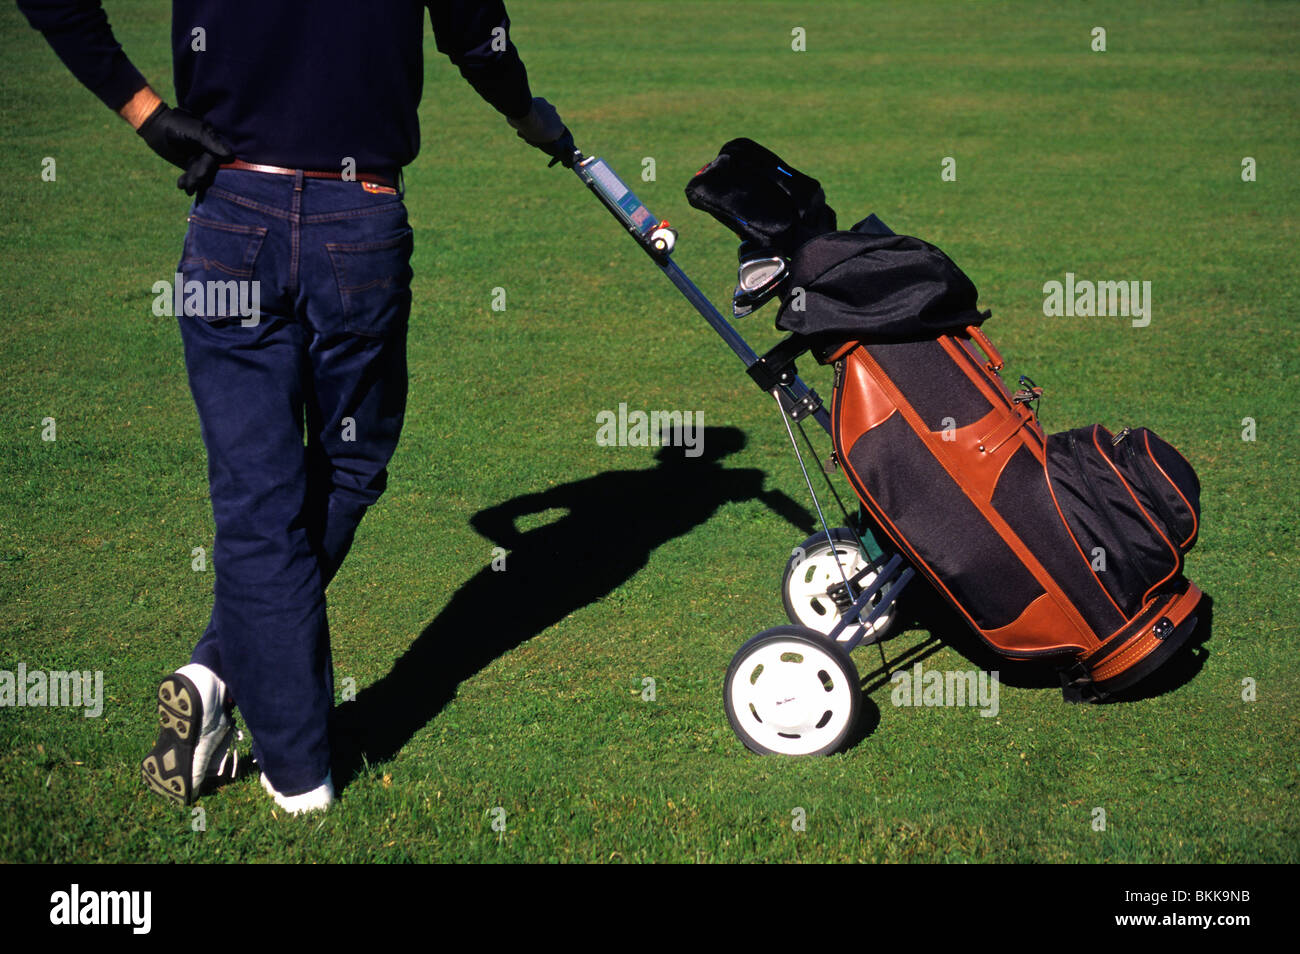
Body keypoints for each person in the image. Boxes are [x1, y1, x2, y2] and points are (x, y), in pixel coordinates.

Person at [18, 0, 574, 814]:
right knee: (349, 463)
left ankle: (225, 677)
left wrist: (146, 114)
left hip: (232, 211)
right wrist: (528, 113)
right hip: (360, 221)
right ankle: (296, 768)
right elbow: (474, 35)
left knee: (257, 504)